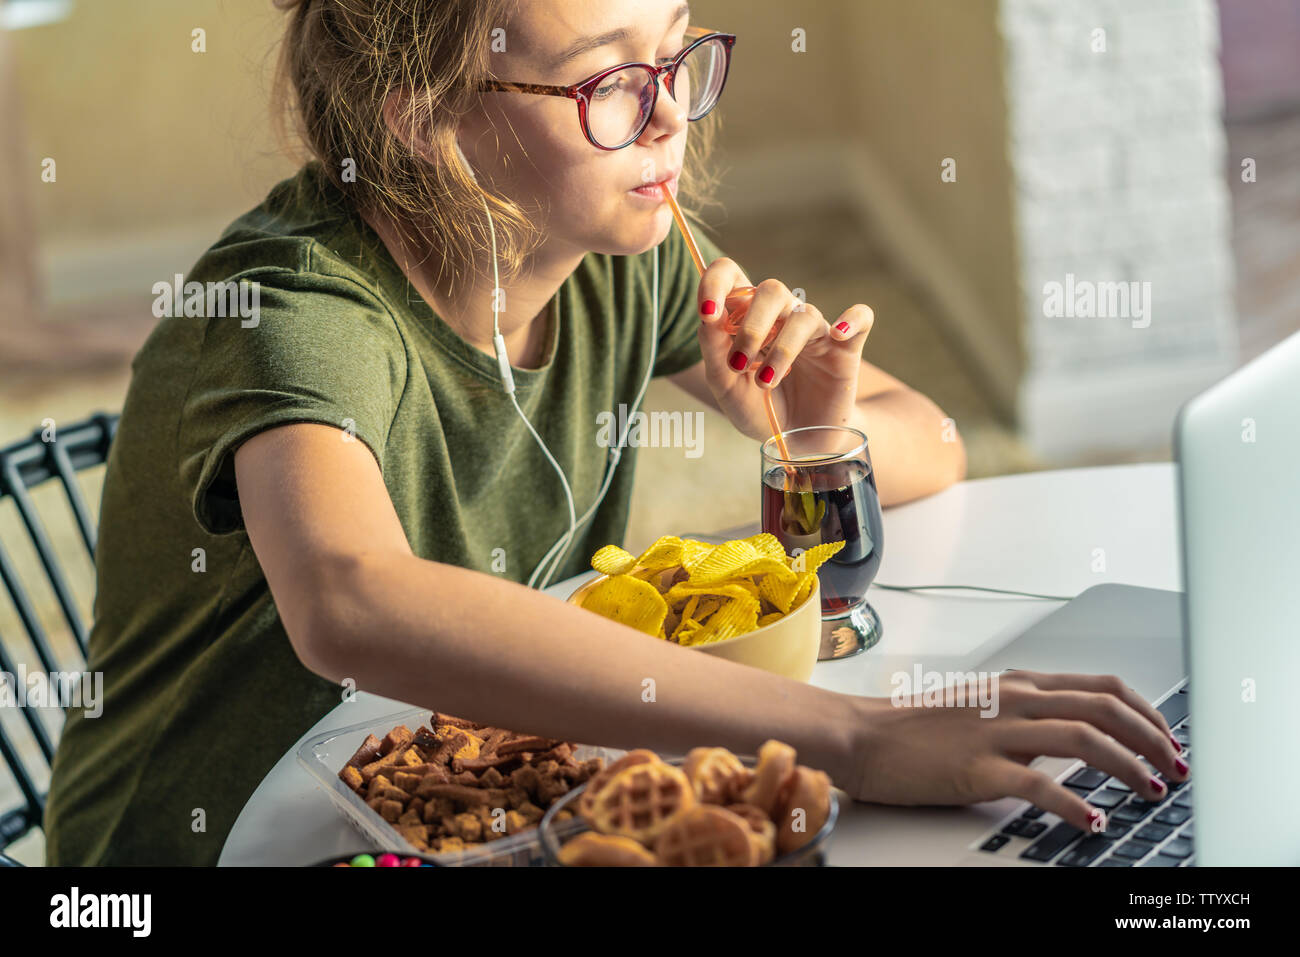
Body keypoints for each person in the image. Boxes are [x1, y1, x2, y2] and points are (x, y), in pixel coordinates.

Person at [44, 0, 1184, 866]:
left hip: (491, 790)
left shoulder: (603, 250)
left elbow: (932, 439)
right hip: (226, 834)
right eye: (610, 85)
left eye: (679, 54)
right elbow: (351, 603)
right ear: (427, 118)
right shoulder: (291, 310)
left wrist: (809, 430)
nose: (672, 118)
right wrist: (854, 733)